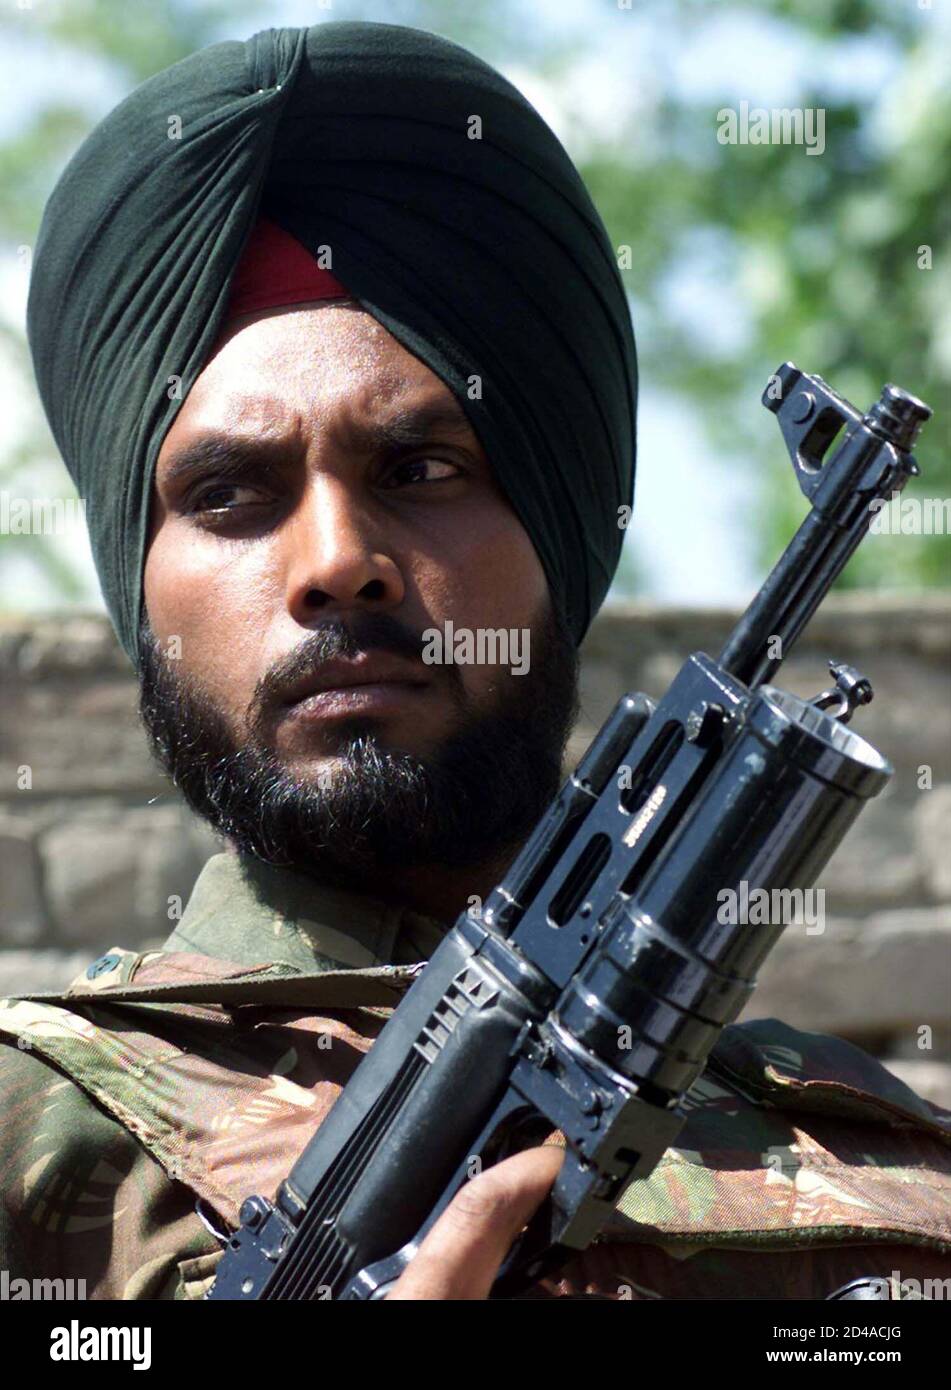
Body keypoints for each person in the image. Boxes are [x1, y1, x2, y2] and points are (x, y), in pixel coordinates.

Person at [1, 20, 948, 1302]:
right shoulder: (37, 1155)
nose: (338, 560)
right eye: (230, 492)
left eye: (423, 469)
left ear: (554, 537)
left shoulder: (888, 1166)